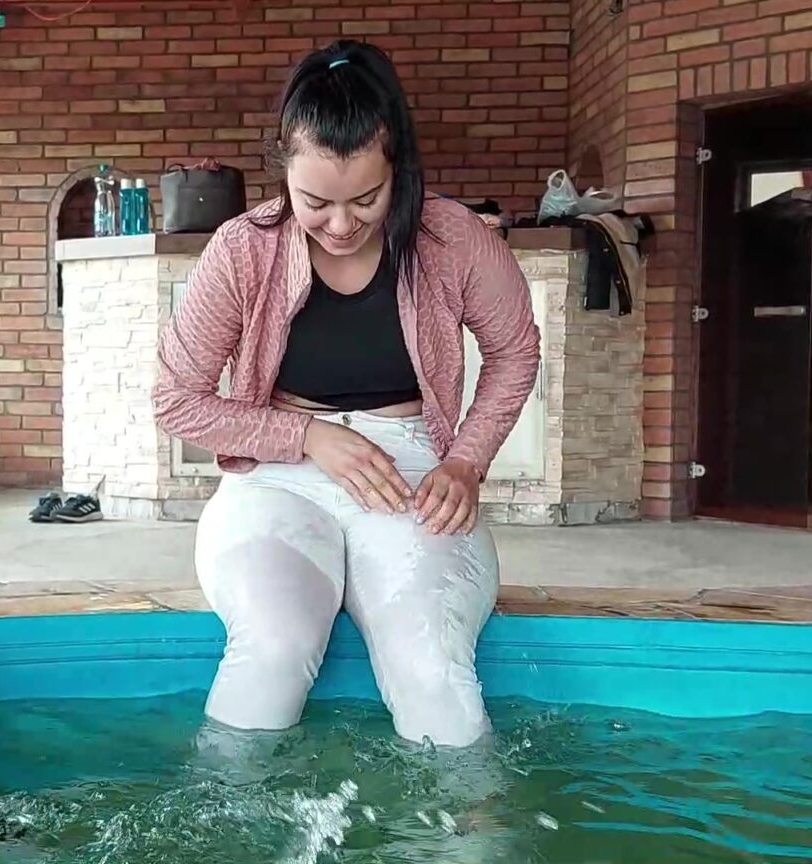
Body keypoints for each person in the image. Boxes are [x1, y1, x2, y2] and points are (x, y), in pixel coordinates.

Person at [153, 40, 540, 752]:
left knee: (429, 663)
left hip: (412, 472)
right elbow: (176, 399)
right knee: (271, 648)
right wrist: (306, 438)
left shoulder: (449, 237)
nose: (339, 224)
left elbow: (516, 349)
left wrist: (466, 461)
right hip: (276, 479)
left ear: (400, 169)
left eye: (366, 199)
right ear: (283, 172)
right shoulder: (243, 248)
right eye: (315, 202)